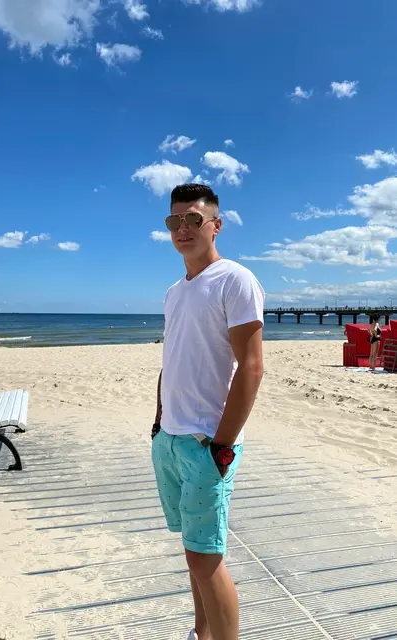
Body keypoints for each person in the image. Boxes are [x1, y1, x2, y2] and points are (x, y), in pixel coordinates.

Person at [151, 183, 264, 640]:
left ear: (216, 225)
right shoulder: (174, 292)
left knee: (206, 557)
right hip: (170, 438)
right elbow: (172, 358)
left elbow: (251, 367)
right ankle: (202, 632)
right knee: (193, 550)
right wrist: (158, 422)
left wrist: (222, 446)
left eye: (194, 219)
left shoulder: (235, 280)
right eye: (174, 220)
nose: (183, 228)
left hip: (206, 443)